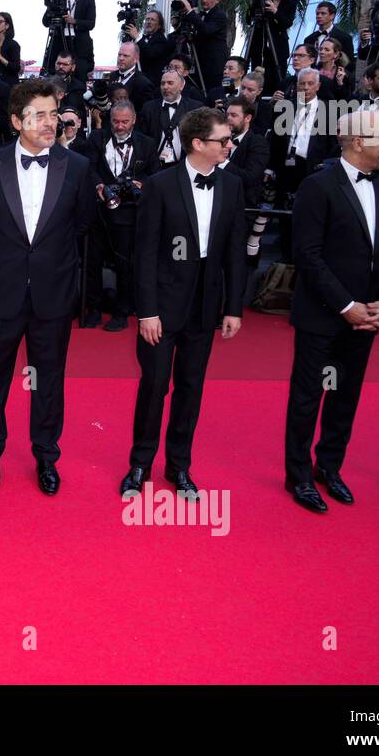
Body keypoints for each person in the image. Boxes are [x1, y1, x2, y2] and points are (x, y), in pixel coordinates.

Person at [0, 78, 97, 496]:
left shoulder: (77, 167)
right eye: (40, 115)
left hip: (52, 294)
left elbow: (84, 224)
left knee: (47, 379)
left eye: (54, 113)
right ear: (18, 120)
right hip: (0, 291)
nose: (50, 122)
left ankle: (45, 455)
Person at [121, 108, 246, 500]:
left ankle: (179, 467)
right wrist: (147, 311)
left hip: (206, 303)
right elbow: (144, 253)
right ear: (197, 143)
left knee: (191, 388)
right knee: (154, 385)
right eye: (223, 140)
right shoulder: (159, 185)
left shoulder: (233, 185)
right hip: (162, 304)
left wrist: (234, 308)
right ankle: (140, 464)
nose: (229, 145)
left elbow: (235, 253)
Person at [283, 110, 379, 513]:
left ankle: (329, 467)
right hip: (323, 314)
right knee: (307, 397)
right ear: (355, 141)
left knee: (345, 395)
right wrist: (347, 306)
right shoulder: (317, 186)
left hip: (368, 316)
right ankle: (298, 475)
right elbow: (308, 256)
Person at [90, 100, 158, 331]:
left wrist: (143, 183)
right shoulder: (96, 139)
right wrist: (99, 185)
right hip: (99, 212)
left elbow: (154, 174)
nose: (119, 126)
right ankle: (93, 310)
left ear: (134, 120)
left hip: (129, 212)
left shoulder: (147, 144)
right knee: (93, 262)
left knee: (124, 264)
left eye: (124, 122)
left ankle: (122, 312)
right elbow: (87, 168)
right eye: (115, 121)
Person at [246, 0, 297, 90]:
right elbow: (249, 19)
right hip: (259, 45)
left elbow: (287, 23)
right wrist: (253, 3)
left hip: (278, 47)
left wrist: (275, 11)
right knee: (257, 81)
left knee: (277, 82)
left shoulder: (290, 1)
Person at [43, 0, 96, 78]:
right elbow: (45, 22)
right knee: (54, 79)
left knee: (79, 78)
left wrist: (75, 21)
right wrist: (50, 6)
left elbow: (91, 24)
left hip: (80, 46)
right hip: (58, 42)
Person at [0, 12, 22, 84]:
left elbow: (16, 68)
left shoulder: (13, 44)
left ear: (7, 25)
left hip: (9, 85)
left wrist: (0, 57)